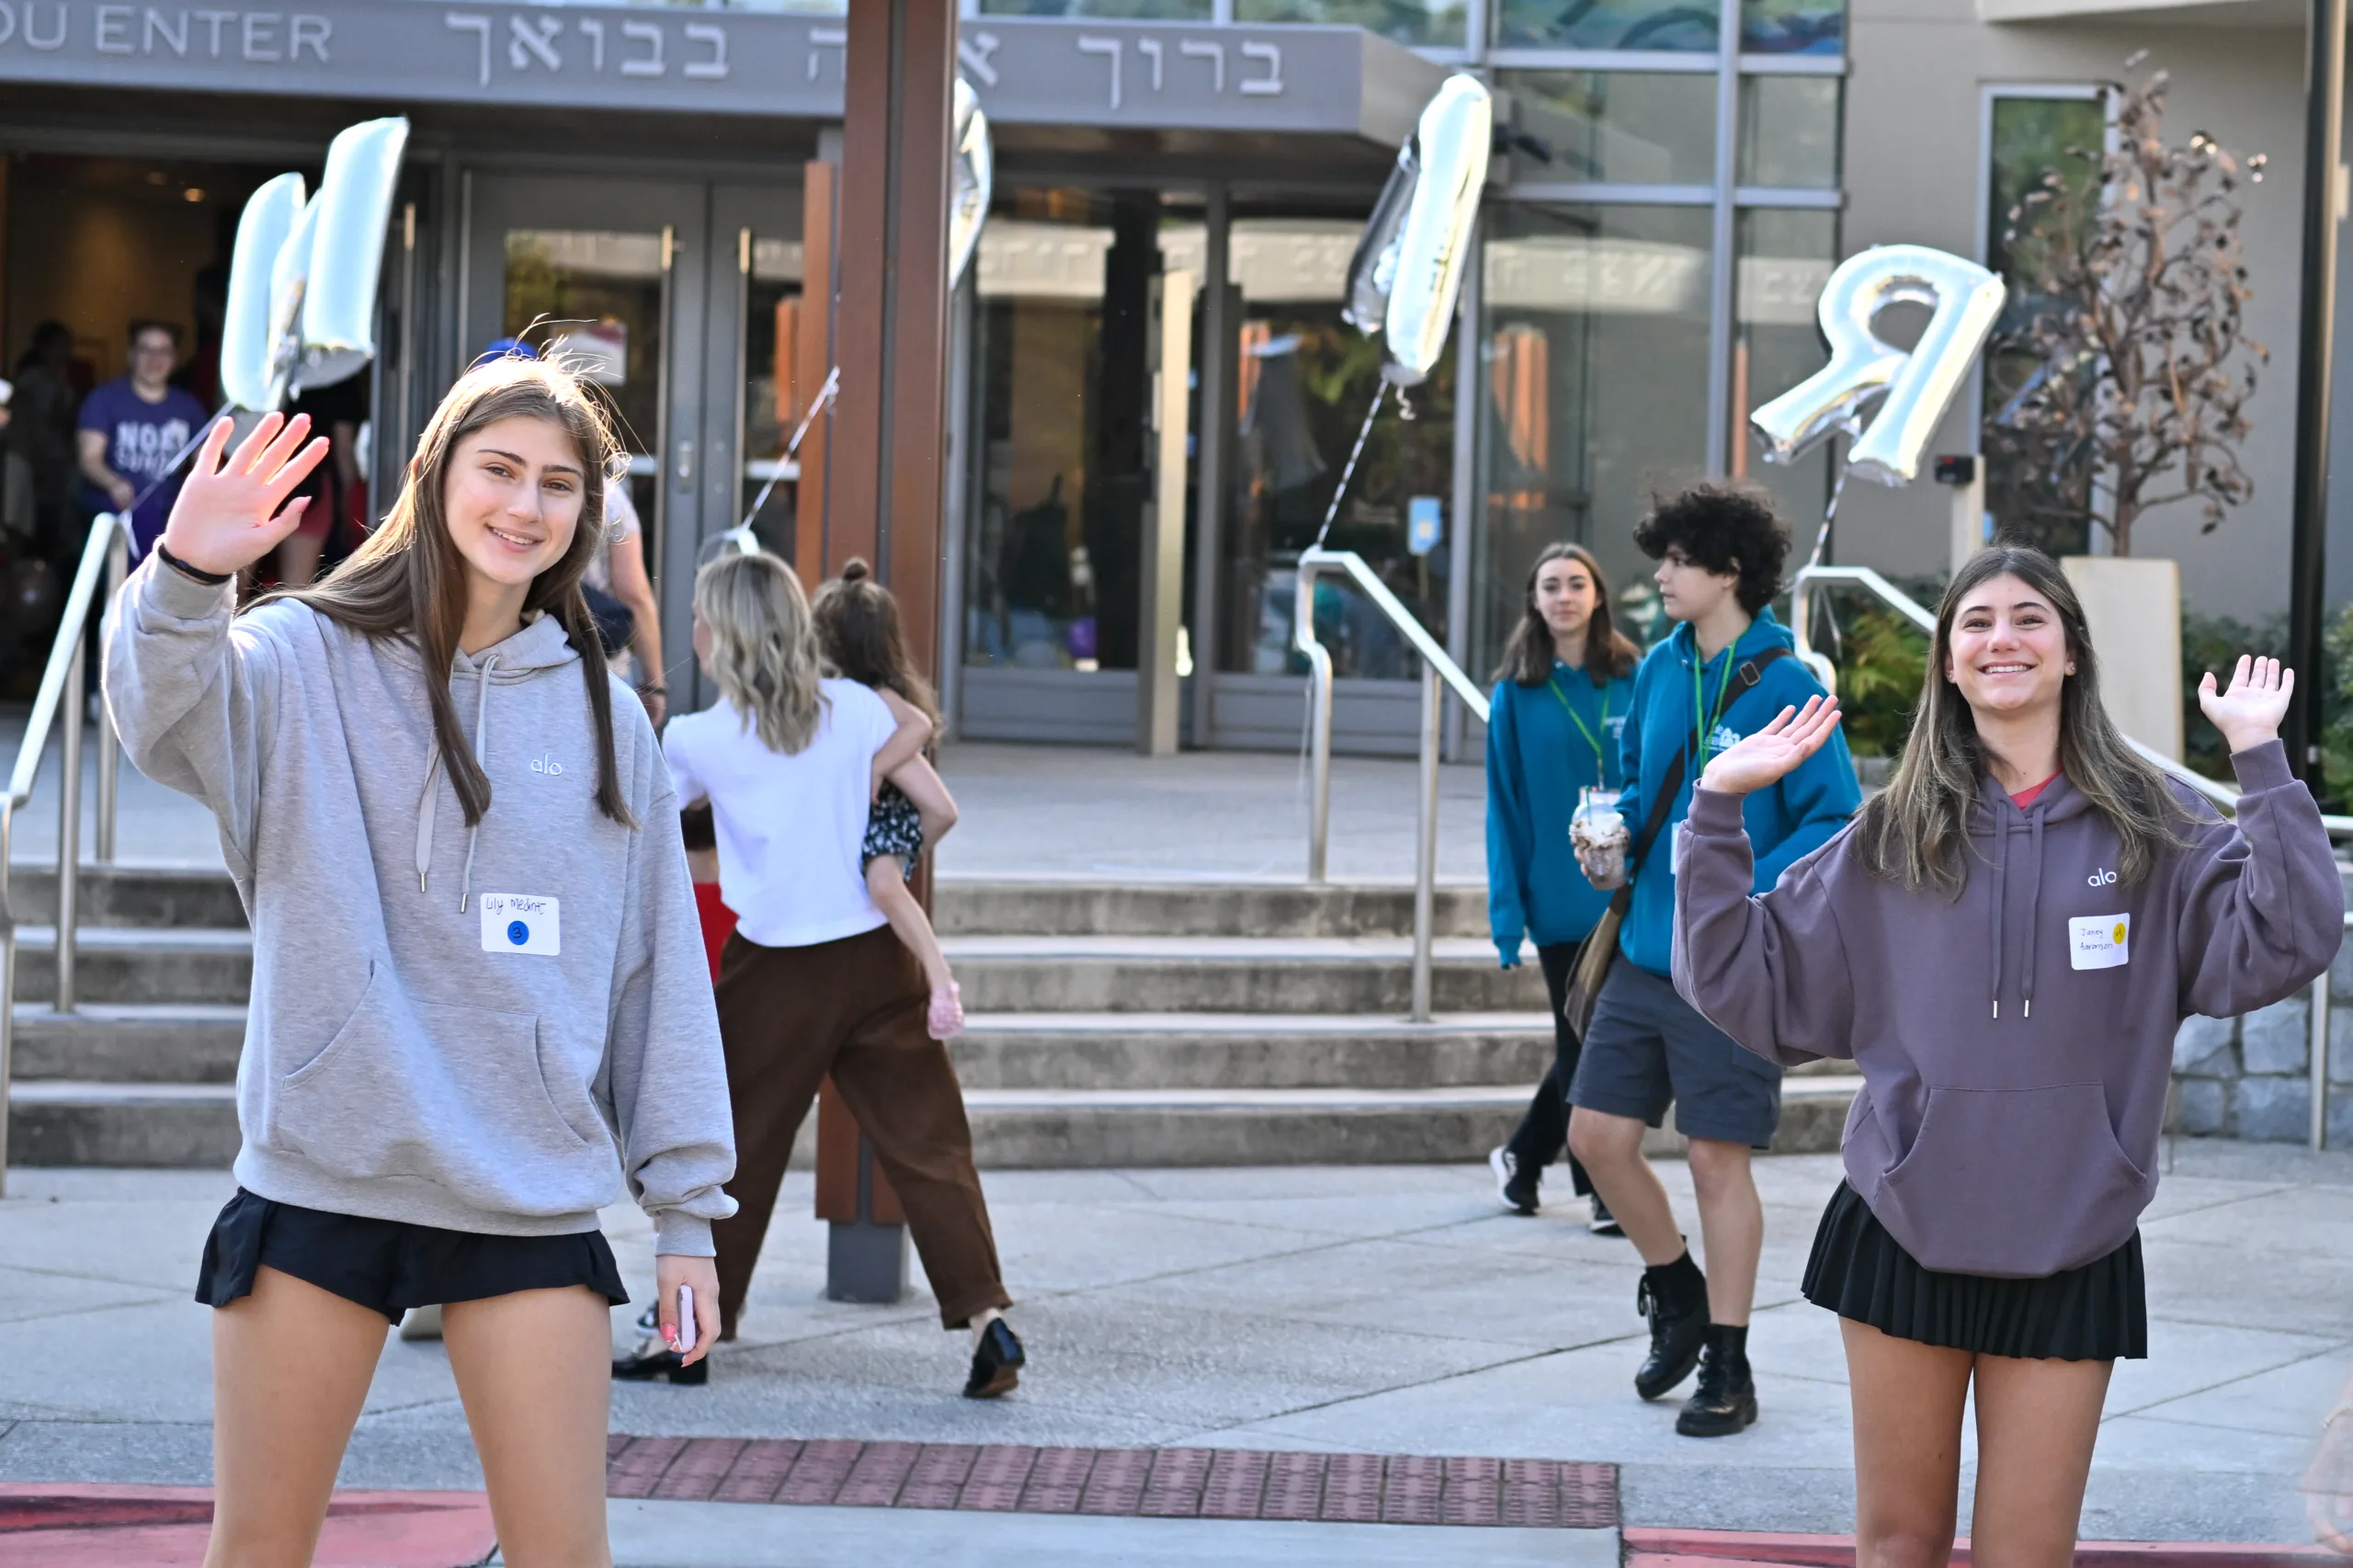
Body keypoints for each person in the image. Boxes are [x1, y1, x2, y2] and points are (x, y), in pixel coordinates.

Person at [105, 359, 737, 1567]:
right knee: (257, 1553)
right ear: (434, 475)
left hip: (525, 1192)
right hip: (321, 1181)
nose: (528, 504)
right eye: (500, 468)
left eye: (560, 483)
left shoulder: (609, 717)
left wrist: (688, 1214)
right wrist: (185, 577)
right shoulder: (302, 657)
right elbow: (158, 715)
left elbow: (660, 975)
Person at [1673, 545, 2340, 1562]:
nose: (2002, 638)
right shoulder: (1890, 833)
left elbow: (2292, 932)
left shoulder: (2154, 824)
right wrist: (1715, 809)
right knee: (1898, 1543)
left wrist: (2260, 759)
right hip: (1902, 1222)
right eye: (1975, 622)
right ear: (1948, 661)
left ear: (2071, 650)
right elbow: (1736, 976)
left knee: (2026, 1554)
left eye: (2029, 617)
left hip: (2072, 1231)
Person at [646, 551, 1027, 1399]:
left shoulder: (697, 738)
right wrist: (871, 858)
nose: (697, 634)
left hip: (775, 967)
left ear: (724, 635)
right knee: (932, 1147)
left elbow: (651, 843)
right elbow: (931, 801)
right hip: (873, 955)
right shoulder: (856, 709)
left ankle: (688, 1334)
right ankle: (987, 1322)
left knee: (729, 1150)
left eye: (704, 619)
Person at [1566, 483, 1861, 1438]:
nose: (1658, 576)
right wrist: (1605, 838)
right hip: (1645, 954)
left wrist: (1740, 884)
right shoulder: (1657, 667)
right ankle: (1676, 1289)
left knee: (1712, 1156)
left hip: (1732, 965)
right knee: (1595, 1139)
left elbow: (1832, 816)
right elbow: (1644, 787)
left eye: (1677, 560)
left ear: (1729, 570)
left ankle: (1727, 1360)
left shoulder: (1789, 682)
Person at [1483, 542, 1640, 1232]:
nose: (1565, 596)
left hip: (1625, 889)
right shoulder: (1515, 694)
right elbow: (1504, 807)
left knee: (1595, 1037)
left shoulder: (1635, 675)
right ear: (1536, 601)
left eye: (1577, 583)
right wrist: (1506, 913)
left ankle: (1523, 1155)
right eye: (1551, 586)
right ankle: (1601, 1185)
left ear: (1598, 595)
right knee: (1585, 1037)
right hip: (1556, 892)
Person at [813, 559, 969, 1040]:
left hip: (890, 812)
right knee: (881, 887)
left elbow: (920, 725)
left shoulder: (879, 694)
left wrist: (878, 767)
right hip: (880, 815)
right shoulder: (853, 696)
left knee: (884, 886)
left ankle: (942, 982)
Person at [77, 320, 210, 557]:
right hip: (115, 509)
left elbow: (206, 465)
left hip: (169, 515)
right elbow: (89, 459)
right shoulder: (104, 400)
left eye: (163, 351)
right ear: (131, 355)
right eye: (145, 349)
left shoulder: (189, 407)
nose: (154, 359)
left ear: (174, 358)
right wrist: (114, 483)